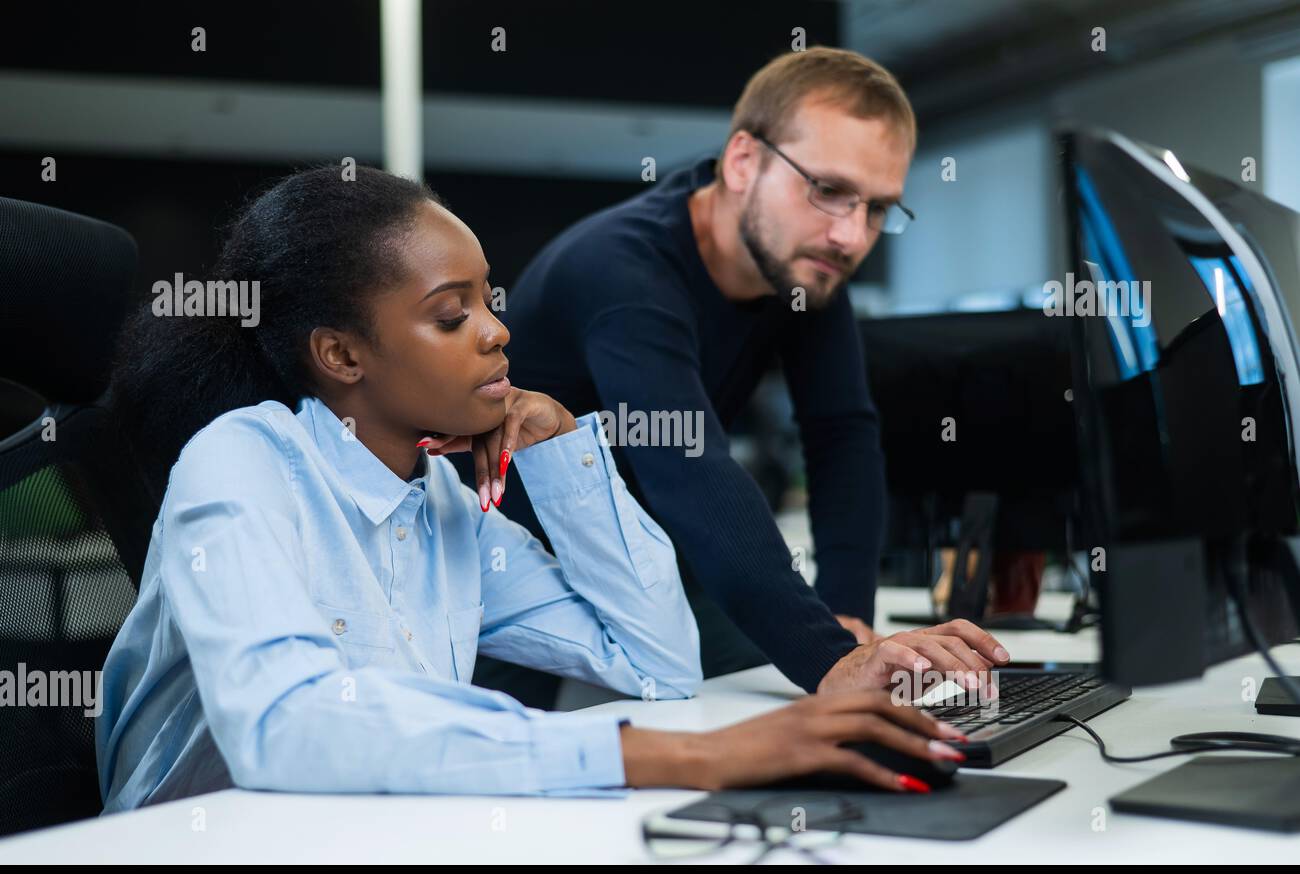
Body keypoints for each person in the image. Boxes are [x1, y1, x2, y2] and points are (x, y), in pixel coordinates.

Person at [98, 165, 968, 811]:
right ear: (341, 354)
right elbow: (287, 725)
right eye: (453, 314)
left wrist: (560, 452)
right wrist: (686, 758)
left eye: (488, 300)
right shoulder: (241, 462)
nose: (497, 329)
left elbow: (657, 661)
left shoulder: (438, 499)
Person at [480, 46, 1011, 708]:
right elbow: (690, 469)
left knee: (754, 702)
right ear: (742, 162)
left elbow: (842, 435)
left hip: (659, 557)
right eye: (828, 189)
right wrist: (829, 659)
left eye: (877, 209)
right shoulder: (622, 269)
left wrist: (847, 623)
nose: (850, 236)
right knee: (495, 770)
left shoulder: (806, 266)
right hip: (512, 563)